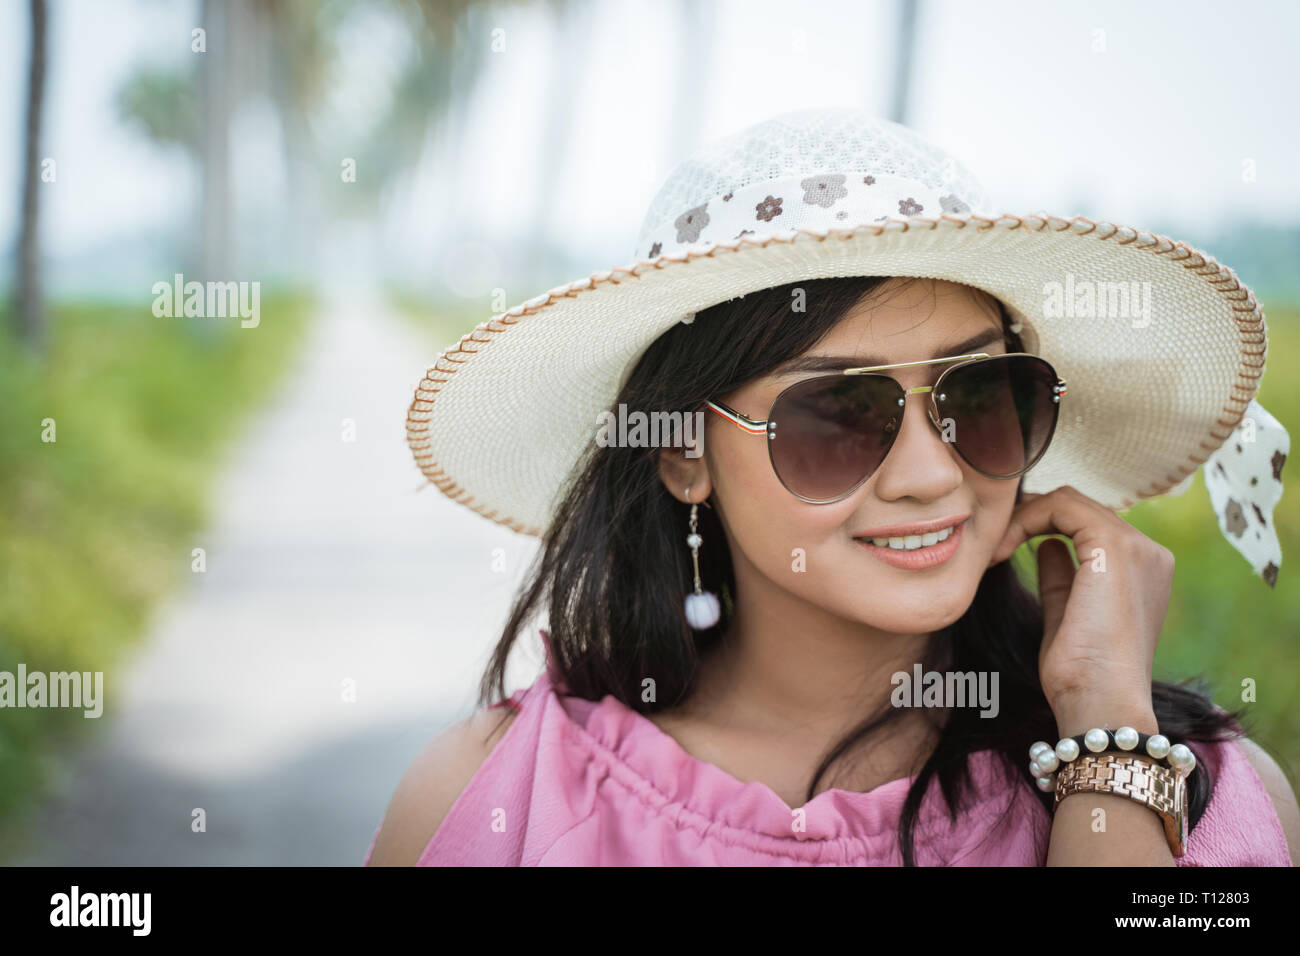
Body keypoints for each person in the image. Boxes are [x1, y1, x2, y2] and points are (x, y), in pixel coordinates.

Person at [366, 109, 1298, 866]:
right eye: (839, 414)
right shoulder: (493, 805)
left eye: (978, 395)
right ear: (684, 450)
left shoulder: (1212, 796)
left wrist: (1109, 742)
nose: (934, 474)